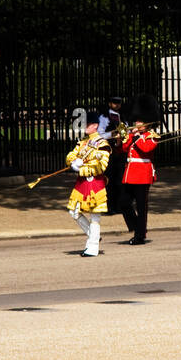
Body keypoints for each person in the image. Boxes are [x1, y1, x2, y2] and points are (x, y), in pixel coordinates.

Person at [67, 110, 110, 257]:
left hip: (94, 184)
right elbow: (71, 154)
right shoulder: (84, 142)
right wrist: (73, 162)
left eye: (88, 124)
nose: (84, 126)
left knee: (95, 217)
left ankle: (93, 247)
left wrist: (81, 168)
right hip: (81, 184)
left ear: (95, 126)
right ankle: (94, 236)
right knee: (73, 211)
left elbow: (101, 166)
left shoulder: (102, 144)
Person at [119, 93, 160, 245]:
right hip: (130, 173)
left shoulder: (152, 135)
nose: (137, 123)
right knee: (124, 202)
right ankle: (138, 229)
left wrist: (136, 137)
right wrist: (125, 137)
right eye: (136, 120)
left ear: (148, 122)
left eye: (140, 121)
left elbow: (146, 148)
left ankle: (139, 235)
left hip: (143, 173)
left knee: (142, 206)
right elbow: (124, 148)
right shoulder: (134, 134)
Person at [98, 96, 127, 229]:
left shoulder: (123, 118)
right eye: (114, 102)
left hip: (120, 152)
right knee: (108, 179)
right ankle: (108, 206)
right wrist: (113, 134)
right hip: (109, 151)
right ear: (110, 103)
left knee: (120, 179)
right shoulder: (104, 117)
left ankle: (119, 205)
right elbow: (100, 134)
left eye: (118, 103)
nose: (116, 105)